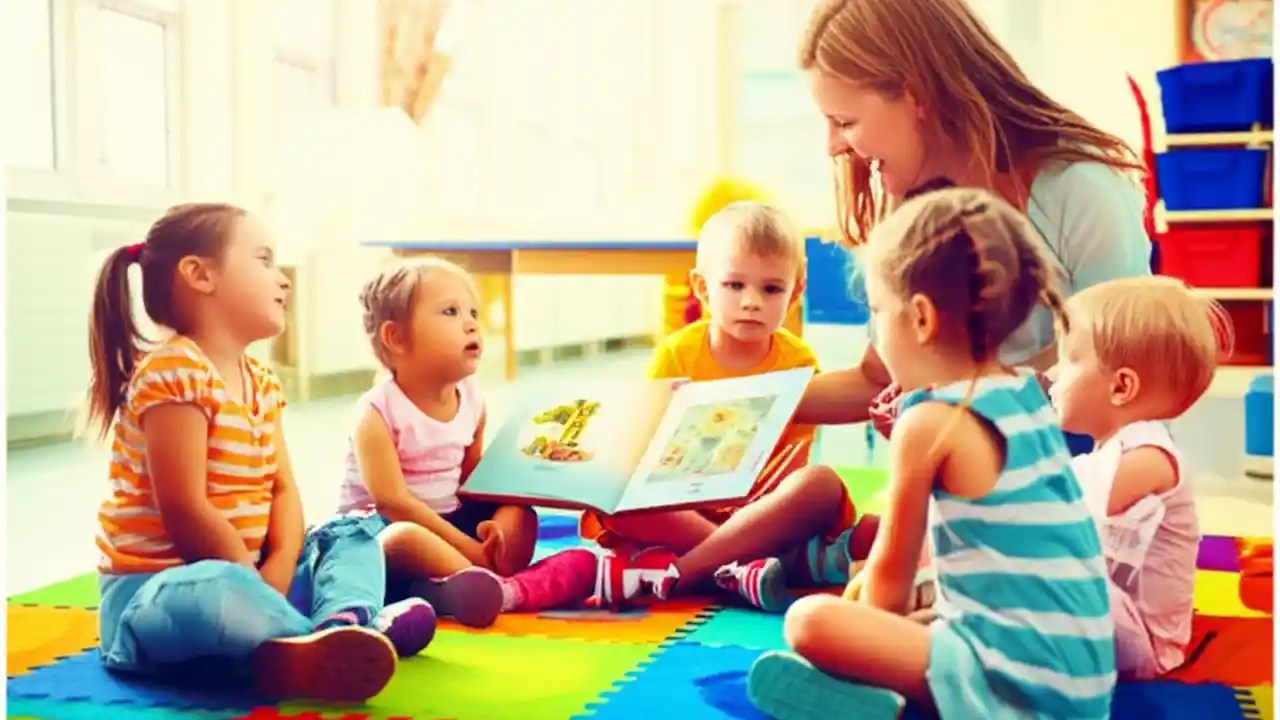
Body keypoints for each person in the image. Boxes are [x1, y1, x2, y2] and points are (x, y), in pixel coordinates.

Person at [747, 187, 1116, 719]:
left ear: (920, 318)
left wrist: (855, 642)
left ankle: (873, 702)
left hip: (1020, 687)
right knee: (906, 600)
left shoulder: (928, 422)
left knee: (811, 620)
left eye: (877, 311)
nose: (875, 328)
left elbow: (889, 585)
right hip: (1082, 679)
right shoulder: (1024, 392)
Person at [90, 203, 432, 703]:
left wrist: (279, 566)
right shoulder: (173, 373)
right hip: (160, 594)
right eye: (265, 259)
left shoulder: (263, 384)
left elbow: (283, 489)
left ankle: (341, 624)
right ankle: (322, 638)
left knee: (353, 533)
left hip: (256, 581)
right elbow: (185, 508)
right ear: (200, 274)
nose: (284, 278)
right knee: (218, 591)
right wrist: (253, 582)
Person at [792, 0, 1151, 448]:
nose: (832, 147)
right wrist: (738, 405)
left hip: (1084, 478)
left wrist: (956, 410)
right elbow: (875, 378)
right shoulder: (913, 212)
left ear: (916, 96)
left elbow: (1122, 359)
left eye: (845, 122)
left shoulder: (1079, 189)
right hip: (968, 486)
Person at [585, 203, 878, 613]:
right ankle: (742, 566)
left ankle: (688, 571)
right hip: (685, 509)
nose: (752, 302)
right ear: (703, 289)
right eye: (735, 285)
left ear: (795, 293)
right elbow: (641, 444)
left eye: (771, 289)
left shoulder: (797, 362)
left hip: (762, 510)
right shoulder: (677, 354)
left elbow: (794, 461)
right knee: (612, 494)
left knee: (821, 483)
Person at [343, 258, 600, 628]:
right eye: (450, 311)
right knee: (405, 538)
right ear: (396, 338)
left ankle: (455, 589)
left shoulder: (473, 401)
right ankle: (505, 589)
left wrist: (499, 520)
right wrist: (470, 551)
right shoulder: (376, 411)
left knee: (519, 511)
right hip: (378, 534)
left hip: (452, 526)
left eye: (473, 312)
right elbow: (392, 502)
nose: (471, 323)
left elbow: (471, 483)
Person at [1049, 276, 1228, 679]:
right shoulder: (1118, 448)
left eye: (1068, 359)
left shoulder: (1146, 458)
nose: (1051, 374)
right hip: (1114, 623)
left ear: (1122, 386)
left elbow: (1052, 506)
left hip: (1145, 644)